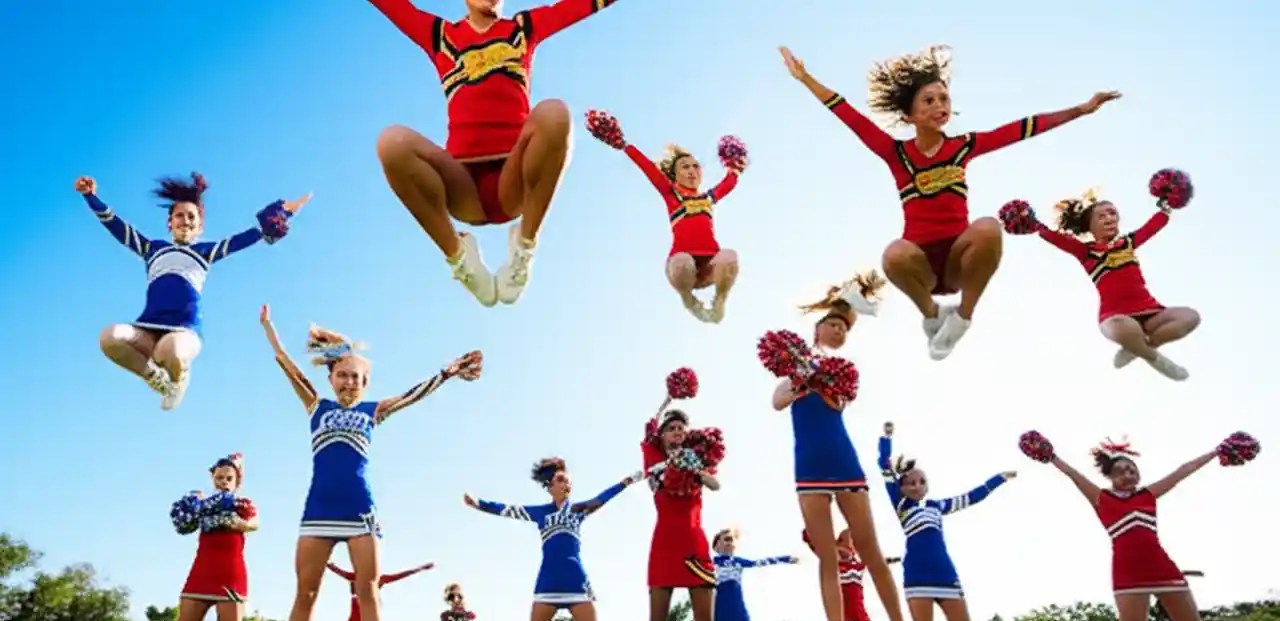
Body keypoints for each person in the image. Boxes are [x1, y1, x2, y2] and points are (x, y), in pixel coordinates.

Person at [778, 45, 1120, 360]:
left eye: (944, 99)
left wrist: (1082, 109)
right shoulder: (897, 154)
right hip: (920, 268)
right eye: (929, 100)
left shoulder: (963, 146)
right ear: (909, 115)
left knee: (988, 227)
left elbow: (1021, 129)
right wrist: (805, 77)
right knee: (893, 253)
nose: (940, 106)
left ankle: (962, 318)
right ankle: (931, 316)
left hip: (960, 261)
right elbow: (848, 114)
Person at [258, 305, 482, 621]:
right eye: (342, 375)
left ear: (366, 384)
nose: (348, 382)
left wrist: (447, 374)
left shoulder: (371, 412)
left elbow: (414, 394)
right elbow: (288, 366)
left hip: (360, 509)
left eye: (357, 378)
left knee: (370, 593)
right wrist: (271, 330)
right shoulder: (316, 407)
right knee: (305, 594)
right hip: (318, 509)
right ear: (331, 378)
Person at [366, 0, 632, 306]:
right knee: (391, 142)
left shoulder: (522, 29)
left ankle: (524, 248)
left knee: (555, 113)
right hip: (461, 185)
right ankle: (460, 260)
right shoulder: (440, 36)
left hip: (514, 181)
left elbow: (577, 6)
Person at [1021, 432, 1252, 621]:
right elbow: (1073, 475)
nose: (1128, 474)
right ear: (1110, 477)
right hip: (1127, 575)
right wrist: (1052, 457)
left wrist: (1216, 452)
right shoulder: (1101, 498)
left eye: (1132, 469)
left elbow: (1181, 472)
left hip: (1162, 568)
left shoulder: (1147, 495)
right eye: (1120, 471)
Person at [770, 288, 918, 621]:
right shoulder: (794, 365)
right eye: (832, 324)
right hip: (808, 466)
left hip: (842, 458)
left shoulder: (842, 368)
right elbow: (778, 400)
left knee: (869, 548)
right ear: (816, 327)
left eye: (843, 327)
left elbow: (838, 403)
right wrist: (802, 378)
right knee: (827, 558)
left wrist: (816, 378)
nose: (837, 330)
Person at [75, 174, 308, 409]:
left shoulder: (205, 251)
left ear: (200, 225)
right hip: (148, 329)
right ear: (169, 222)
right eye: (179, 215)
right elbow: (116, 225)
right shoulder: (152, 249)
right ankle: (158, 381)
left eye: (191, 217)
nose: (185, 221)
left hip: (184, 332)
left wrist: (285, 211)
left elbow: (248, 236)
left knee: (171, 349)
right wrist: (90, 196)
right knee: (110, 337)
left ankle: (179, 380)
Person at [464, 457, 641, 621]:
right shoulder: (541, 513)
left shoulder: (579, 510)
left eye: (569, 480)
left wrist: (627, 481)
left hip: (576, 583)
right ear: (549, 486)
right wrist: (479, 504)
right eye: (561, 480)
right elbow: (508, 509)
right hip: (547, 585)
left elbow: (604, 497)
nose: (566, 483)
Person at [878, 423, 1008, 621]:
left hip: (946, 575)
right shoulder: (901, 506)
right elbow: (883, 467)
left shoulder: (937, 506)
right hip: (917, 579)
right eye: (909, 482)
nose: (915, 485)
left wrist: (998, 479)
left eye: (921, 481)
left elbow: (972, 497)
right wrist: (886, 438)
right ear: (901, 487)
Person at [1011, 190, 1198, 380]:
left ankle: (1139, 347)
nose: (1109, 218)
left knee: (1189, 317)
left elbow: (1151, 227)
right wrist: (1033, 224)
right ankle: (1157, 361)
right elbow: (1057, 239)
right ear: (1090, 226)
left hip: (1150, 310)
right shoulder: (1086, 252)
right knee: (1123, 327)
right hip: (1115, 315)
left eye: (1112, 213)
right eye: (1101, 216)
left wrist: (1166, 207)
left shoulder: (1128, 243)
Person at [586, 111, 746, 322]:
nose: (691, 171)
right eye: (685, 167)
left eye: (695, 166)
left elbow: (729, 184)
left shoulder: (708, 198)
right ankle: (689, 301)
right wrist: (624, 145)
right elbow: (648, 168)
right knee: (682, 261)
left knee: (730, 256)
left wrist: (734, 166)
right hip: (683, 270)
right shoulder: (672, 194)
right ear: (674, 174)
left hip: (709, 267)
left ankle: (720, 302)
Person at [636, 394, 734, 621]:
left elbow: (716, 484)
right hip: (664, 545)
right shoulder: (653, 460)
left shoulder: (697, 458)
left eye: (681, 428)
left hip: (695, 545)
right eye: (671, 428)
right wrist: (666, 398)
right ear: (662, 436)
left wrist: (696, 469)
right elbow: (649, 423)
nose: (677, 432)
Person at [143, 454, 257, 621]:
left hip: (231, 574)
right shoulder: (201, 502)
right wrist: (199, 506)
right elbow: (185, 522)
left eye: (229, 478)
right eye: (219, 477)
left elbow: (254, 523)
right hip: (201, 571)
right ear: (212, 478)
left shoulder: (243, 503)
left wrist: (236, 522)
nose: (224, 482)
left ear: (237, 480)